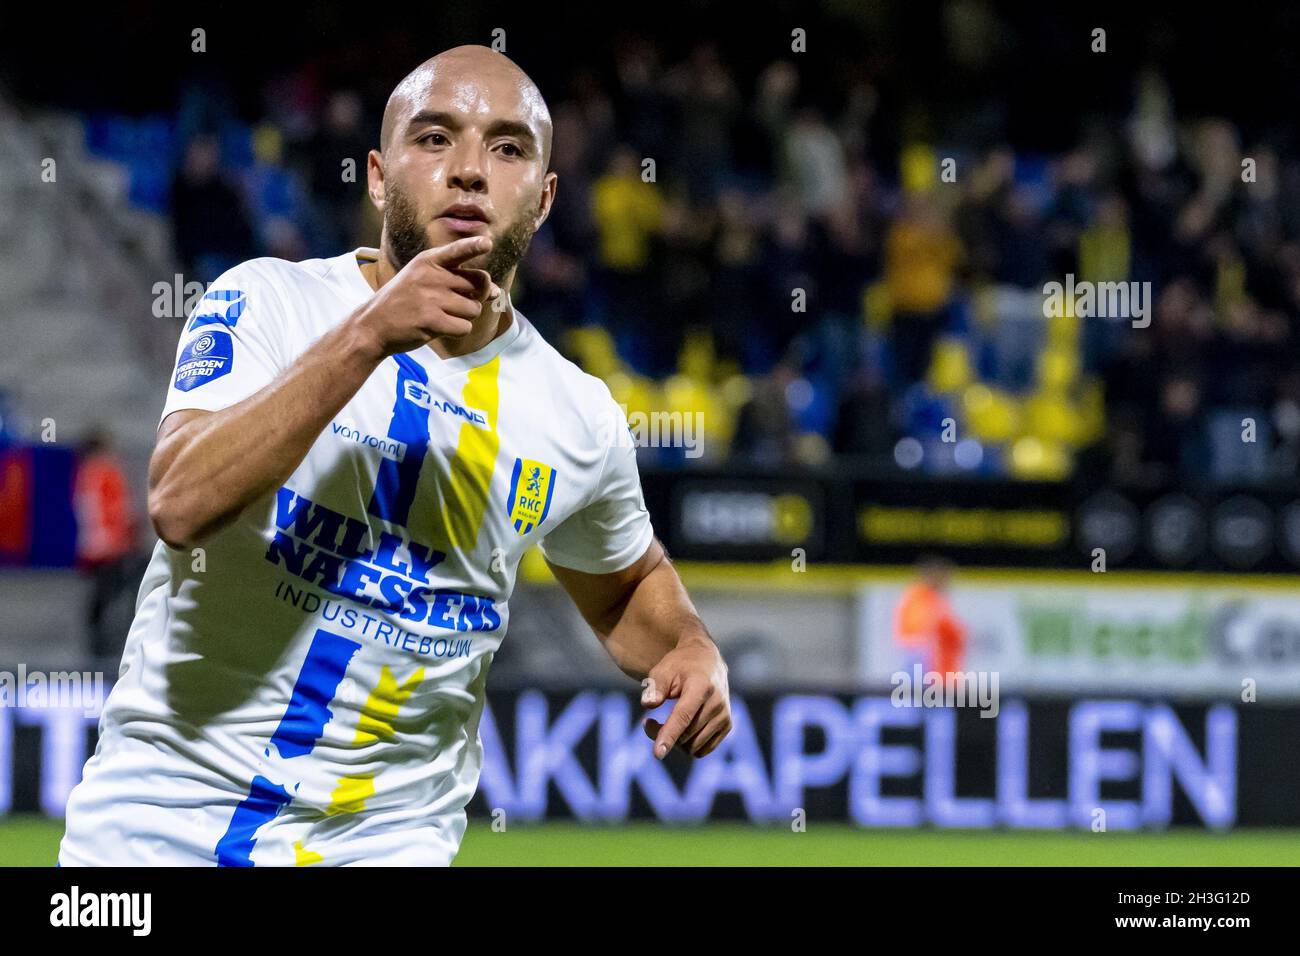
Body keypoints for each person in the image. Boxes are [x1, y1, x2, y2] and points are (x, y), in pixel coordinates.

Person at [60, 46, 731, 867]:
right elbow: (180, 502)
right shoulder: (264, 302)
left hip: (385, 845)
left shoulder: (577, 414)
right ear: (378, 177)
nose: (471, 172)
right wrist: (370, 333)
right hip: (155, 833)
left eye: (509, 148)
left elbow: (628, 586)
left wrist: (691, 646)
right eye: (436, 138)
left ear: (546, 198)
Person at [73, 428, 137, 664]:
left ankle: (103, 649)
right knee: (107, 600)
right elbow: (117, 510)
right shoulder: (104, 471)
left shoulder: (89, 472)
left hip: (98, 546)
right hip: (108, 547)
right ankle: (105, 651)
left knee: (103, 601)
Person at [892, 557, 967, 679]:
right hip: (918, 652)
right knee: (918, 691)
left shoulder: (931, 596)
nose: (946, 582)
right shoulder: (919, 595)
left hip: (924, 653)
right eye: (943, 577)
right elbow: (921, 626)